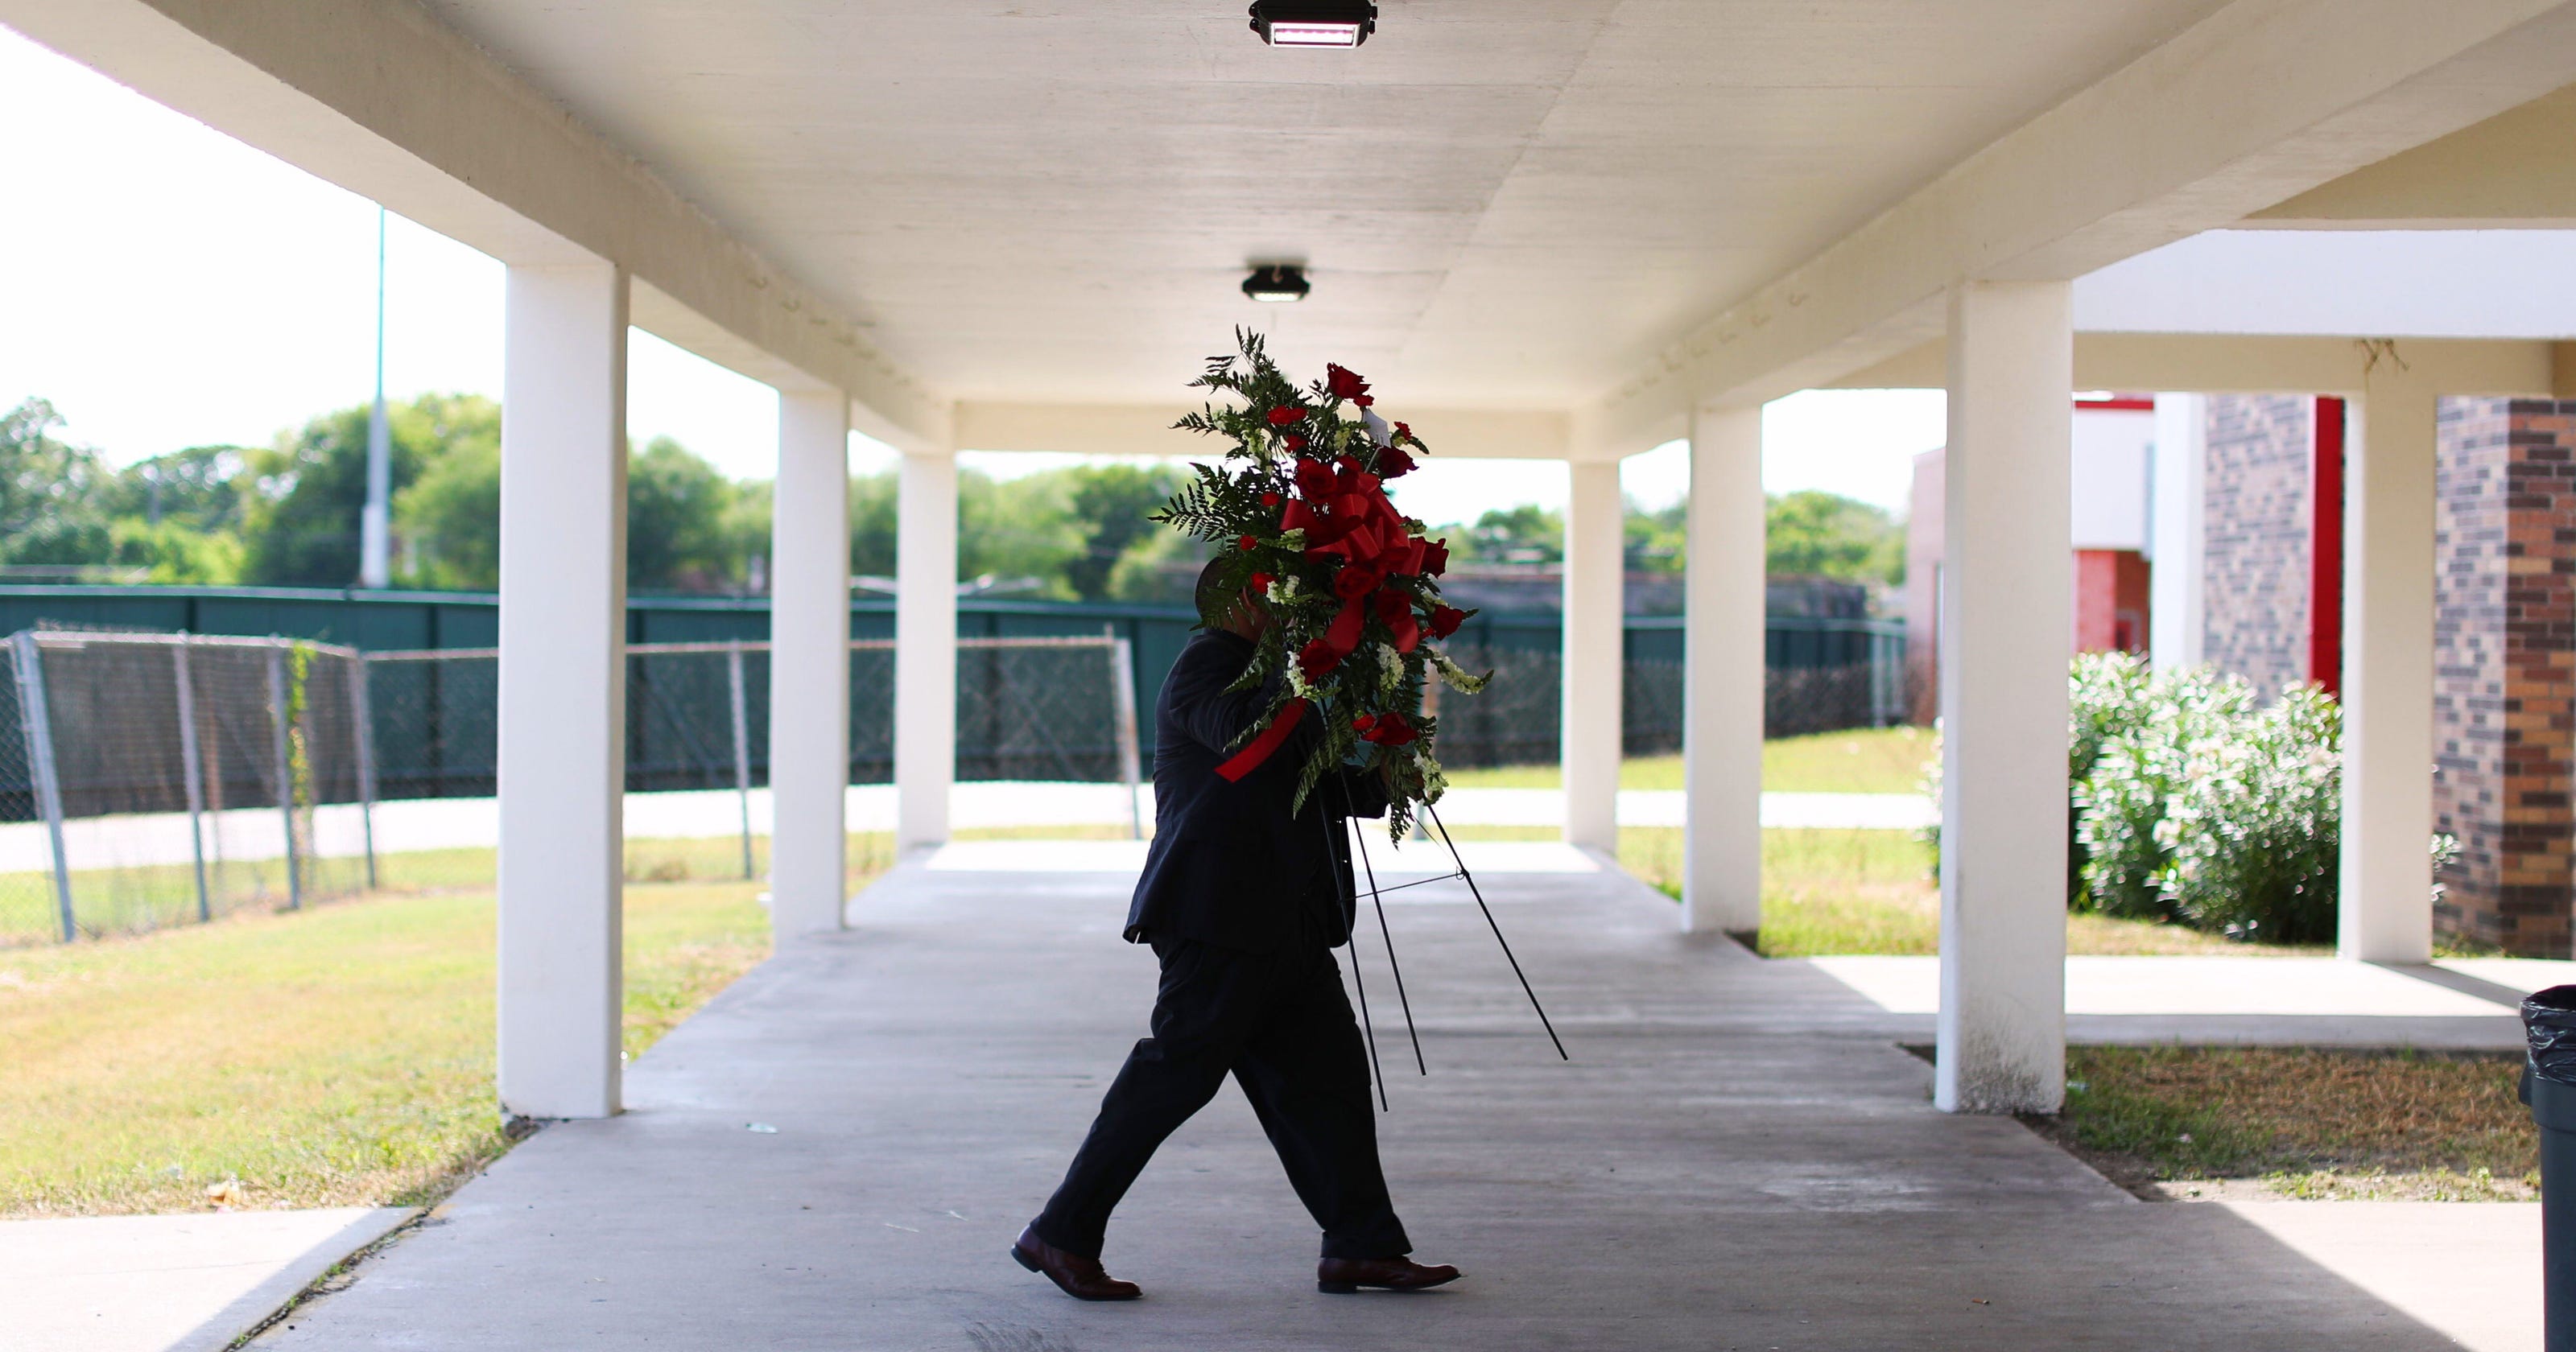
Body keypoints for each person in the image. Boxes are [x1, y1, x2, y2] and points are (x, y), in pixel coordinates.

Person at [1011, 559, 1461, 1301]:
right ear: (1241, 601)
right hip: (1218, 916)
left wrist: (1381, 779)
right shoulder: (1207, 665)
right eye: (1280, 596)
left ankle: (1361, 1247)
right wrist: (1307, 668)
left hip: (1290, 919)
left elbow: (1300, 780)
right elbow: (1244, 743)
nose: (1295, 610)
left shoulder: (1275, 675)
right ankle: (1061, 1233)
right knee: (1174, 1077)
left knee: (1328, 1082)